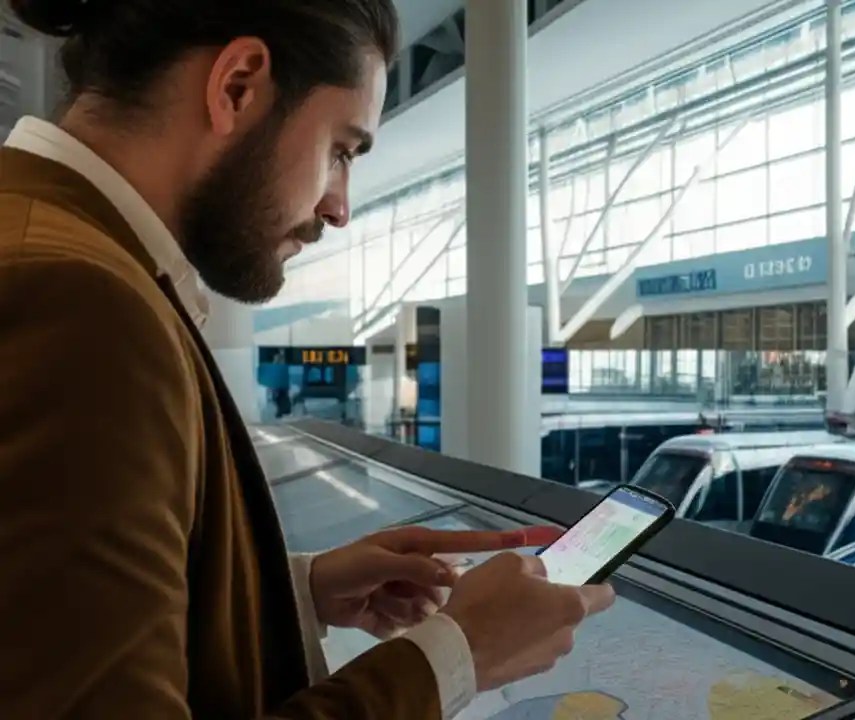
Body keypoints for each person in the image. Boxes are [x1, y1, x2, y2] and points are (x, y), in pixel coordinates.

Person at [0, 1, 615, 719]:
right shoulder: (77, 302)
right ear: (238, 85)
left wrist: (294, 588)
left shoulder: (55, 244)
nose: (339, 208)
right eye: (342, 149)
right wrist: (456, 655)